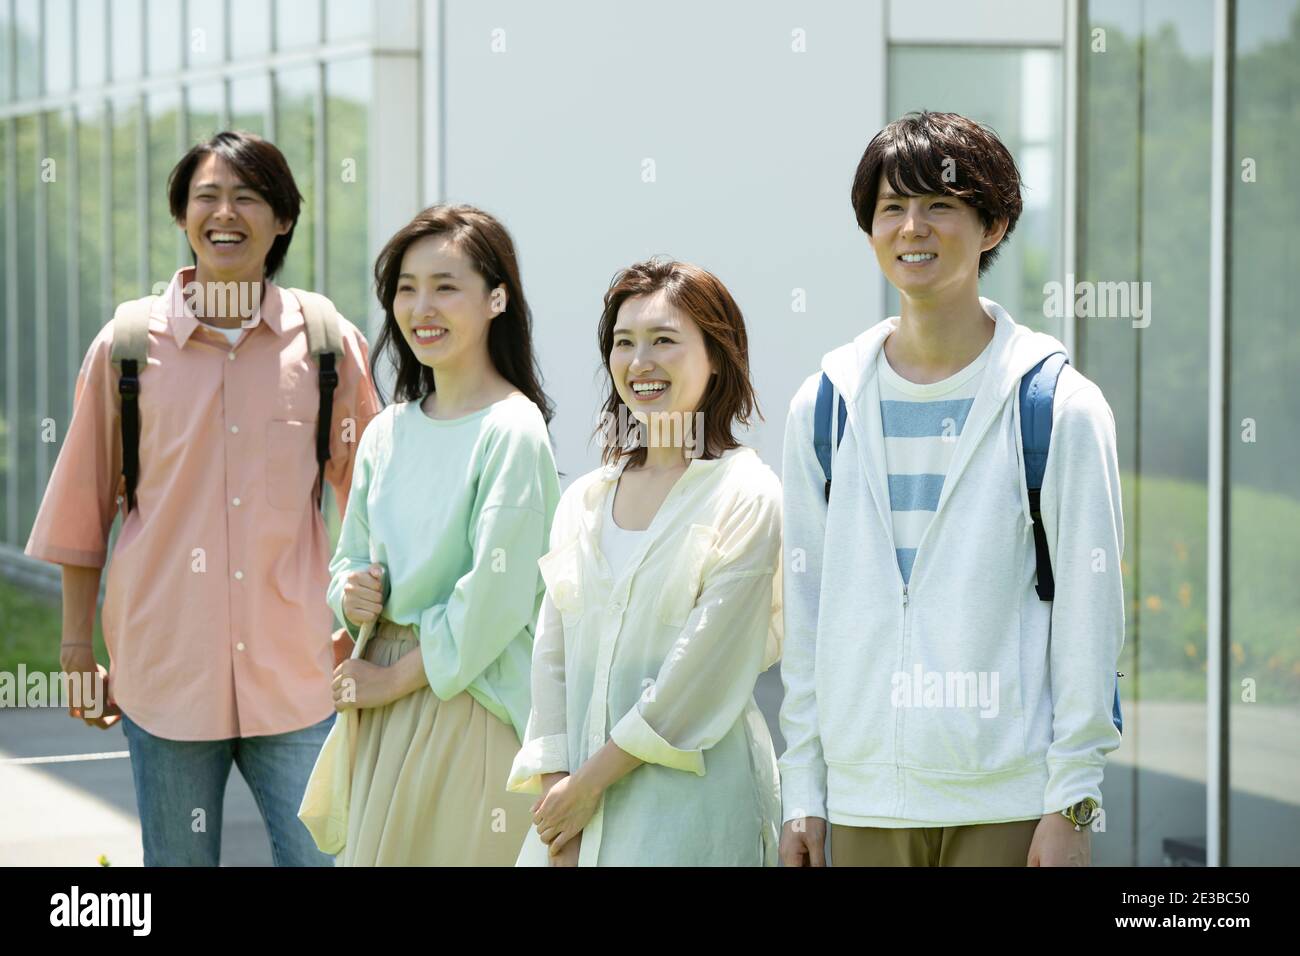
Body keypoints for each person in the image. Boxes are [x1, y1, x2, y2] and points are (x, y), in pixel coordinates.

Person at [778, 111, 1125, 867]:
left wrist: (1074, 801)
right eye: (891, 209)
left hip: (1010, 800)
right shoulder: (825, 407)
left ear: (993, 223)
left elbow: (1090, 620)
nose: (913, 227)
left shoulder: (1058, 407)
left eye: (939, 205)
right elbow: (805, 615)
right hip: (865, 802)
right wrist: (800, 787)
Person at [26, 130, 381, 866]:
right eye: (207, 197)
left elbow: (376, 502)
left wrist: (368, 633)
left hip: (301, 676)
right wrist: (73, 653)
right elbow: (80, 512)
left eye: (248, 196)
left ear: (282, 219)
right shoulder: (127, 345)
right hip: (164, 675)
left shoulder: (324, 344)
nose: (227, 212)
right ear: (183, 217)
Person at [507, 258, 783, 866]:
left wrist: (588, 787)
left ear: (717, 356)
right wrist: (558, 792)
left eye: (664, 341)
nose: (641, 362)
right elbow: (550, 657)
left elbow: (701, 674)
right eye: (624, 343)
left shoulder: (746, 493)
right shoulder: (586, 498)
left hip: (691, 815)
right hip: (572, 817)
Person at [327, 204, 560, 866]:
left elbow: (496, 601)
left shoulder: (511, 430)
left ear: (497, 298)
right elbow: (347, 558)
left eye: (445, 285)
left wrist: (390, 681)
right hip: (381, 700)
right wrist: (351, 593)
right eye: (406, 287)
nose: (421, 306)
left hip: (466, 700)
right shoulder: (386, 429)